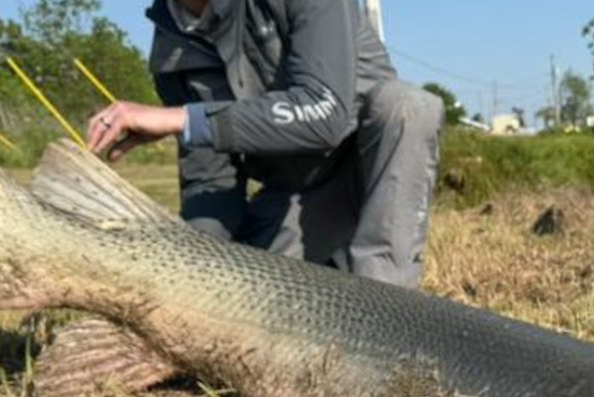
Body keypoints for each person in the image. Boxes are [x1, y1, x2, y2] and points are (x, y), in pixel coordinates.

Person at [85, 0, 443, 289]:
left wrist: (184, 119)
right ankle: (333, 271)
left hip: (370, 174)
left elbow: (325, 115)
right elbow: (211, 181)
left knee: (410, 108)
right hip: (297, 194)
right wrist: (194, 276)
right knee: (243, 295)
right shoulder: (171, 41)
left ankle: (384, 308)